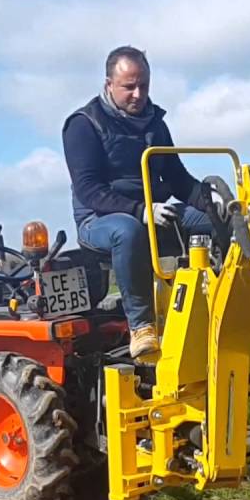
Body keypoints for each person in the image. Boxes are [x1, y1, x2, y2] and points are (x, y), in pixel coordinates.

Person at [62, 45, 219, 358]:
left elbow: (177, 178)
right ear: (109, 84)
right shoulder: (83, 125)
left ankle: (222, 309)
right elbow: (89, 189)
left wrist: (215, 203)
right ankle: (141, 326)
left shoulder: (155, 124)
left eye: (143, 86)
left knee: (217, 222)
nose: (137, 94)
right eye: (128, 87)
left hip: (155, 210)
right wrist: (140, 210)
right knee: (128, 230)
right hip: (101, 220)